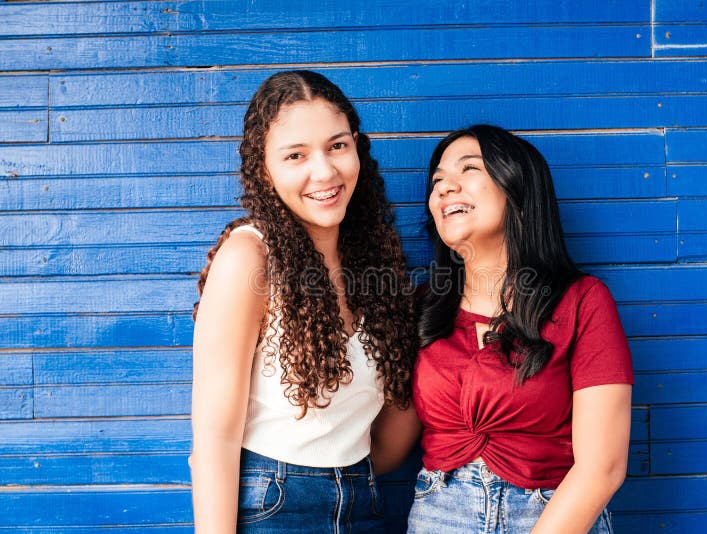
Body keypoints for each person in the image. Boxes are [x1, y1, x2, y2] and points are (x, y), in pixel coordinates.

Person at [190, 70, 418, 533]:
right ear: (264, 169)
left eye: (337, 146)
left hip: (363, 502)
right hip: (274, 502)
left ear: (357, 146)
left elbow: (386, 426)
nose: (325, 171)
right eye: (296, 155)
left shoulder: (375, 261)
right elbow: (214, 441)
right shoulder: (250, 257)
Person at [408, 125, 634, 534]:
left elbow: (604, 467)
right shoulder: (424, 308)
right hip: (439, 515)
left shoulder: (583, 301)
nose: (444, 188)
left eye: (468, 170)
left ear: (517, 189)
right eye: (437, 180)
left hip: (551, 515)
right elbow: (383, 445)